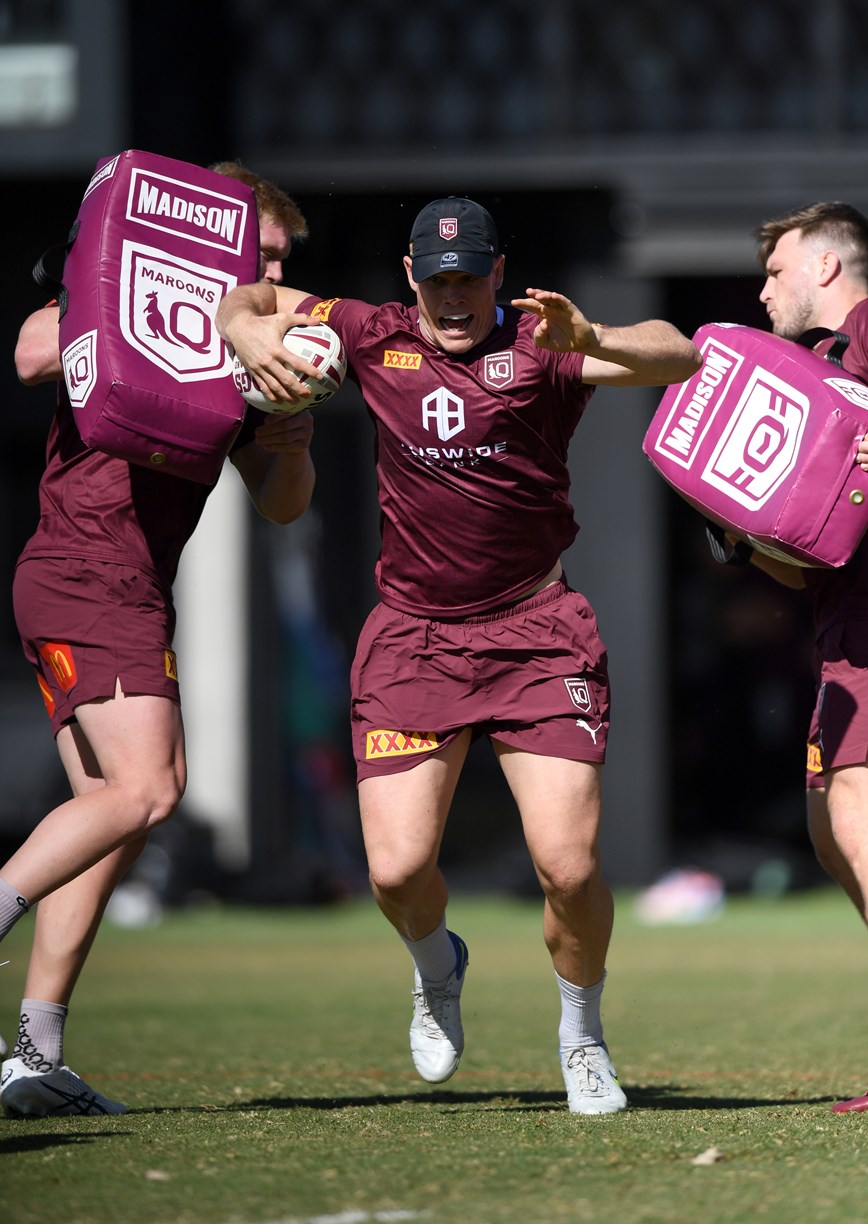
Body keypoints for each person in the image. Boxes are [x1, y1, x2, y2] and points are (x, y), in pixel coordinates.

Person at [215, 195, 701, 1114]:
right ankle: (438, 966)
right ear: (410, 275)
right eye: (437, 280)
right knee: (396, 871)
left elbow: (680, 350)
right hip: (414, 639)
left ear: (497, 273)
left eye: (469, 278)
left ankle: (582, 1033)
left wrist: (593, 332)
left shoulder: (547, 339)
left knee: (568, 865)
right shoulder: (368, 332)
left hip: (535, 630)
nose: (453, 297)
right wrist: (247, 339)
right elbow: (248, 301)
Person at [0, 165, 314, 1118]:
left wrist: (293, 421)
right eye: (259, 251)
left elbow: (286, 505)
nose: (273, 270)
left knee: (112, 817)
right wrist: (143, 303)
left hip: (126, 587)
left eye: (283, 260)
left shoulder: (264, 354)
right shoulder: (138, 281)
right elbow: (29, 354)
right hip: (84, 573)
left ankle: (34, 1053)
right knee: (151, 789)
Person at [726, 201, 868, 1113]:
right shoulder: (816, 373)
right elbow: (805, 556)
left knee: (865, 818)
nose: (764, 288)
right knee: (830, 825)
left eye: (774, 271)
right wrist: (741, 538)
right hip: (852, 622)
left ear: (821, 266)